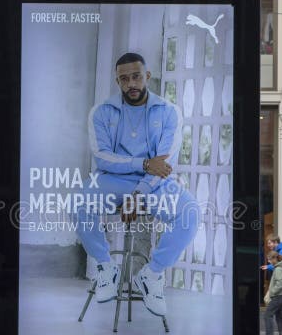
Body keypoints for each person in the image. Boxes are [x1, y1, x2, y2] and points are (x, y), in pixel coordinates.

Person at [75, 52, 199, 317]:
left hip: (156, 184)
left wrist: (139, 193)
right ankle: (106, 267)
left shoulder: (169, 112)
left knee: (189, 211)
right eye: (124, 79)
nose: (131, 84)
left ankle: (151, 275)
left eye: (136, 77)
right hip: (112, 179)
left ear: (147, 76)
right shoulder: (101, 112)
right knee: (79, 202)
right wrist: (142, 163)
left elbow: (164, 163)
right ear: (117, 81)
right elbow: (102, 157)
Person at [260, 251, 282, 335]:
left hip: (278, 296)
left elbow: (281, 284)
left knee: (267, 315)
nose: (269, 262)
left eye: (269, 260)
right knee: (280, 316)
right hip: (281, 295)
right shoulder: (280, 268)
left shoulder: (278, 269)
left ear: (274, 259)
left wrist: (272, 292)